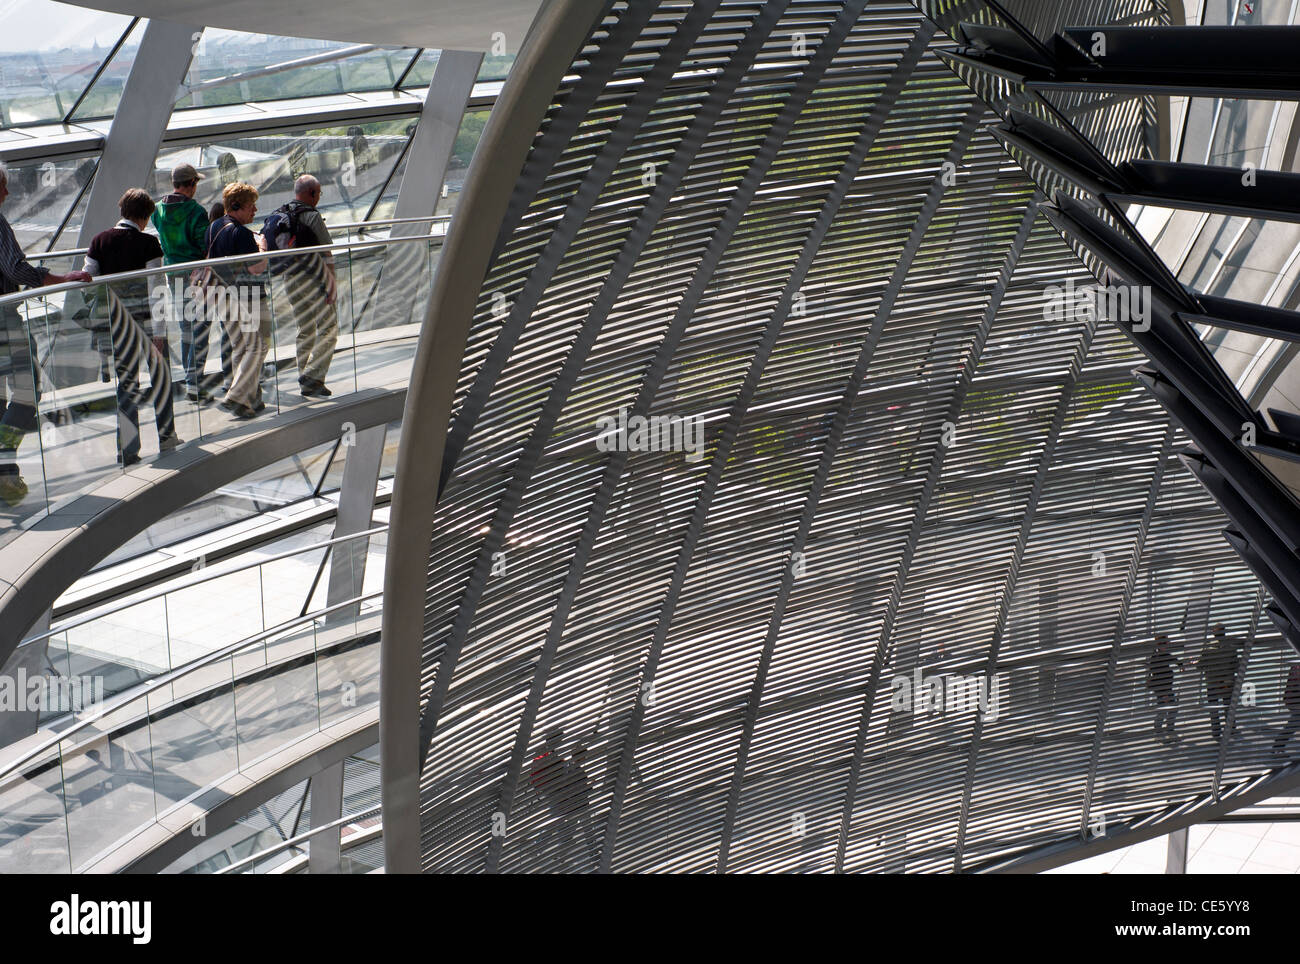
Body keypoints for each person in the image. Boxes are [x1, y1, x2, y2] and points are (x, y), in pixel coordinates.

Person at [0, 162, 93, 506]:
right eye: (4, 186)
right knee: (28, 391)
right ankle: (3, 453)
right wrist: (61, 279)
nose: (8, 193)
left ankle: (5, 478)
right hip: (4, 322)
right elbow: (15, 269)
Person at [84, 189, 184, 466]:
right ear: (145, 216)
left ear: (122, 210)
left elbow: (89, 280)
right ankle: (167, 436)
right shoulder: (149, 244)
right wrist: (160, 333)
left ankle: (128, 449)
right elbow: (156, 289)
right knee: (161, 380)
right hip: (146, 325)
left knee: (127, 386)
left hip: (116, 326)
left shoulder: (98, 241)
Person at [152, 163, 227, 402]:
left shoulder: (157, 210)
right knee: (201, 329)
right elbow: (206, 246)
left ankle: (190, 381)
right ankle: (195, 384)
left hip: (173, 275)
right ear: (191, 184)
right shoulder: (195, 211)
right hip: (196, 277)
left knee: (186, 329)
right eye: (196, 183)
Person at [264, 174, 337, 398]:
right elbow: (327, 254)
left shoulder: (279, 213)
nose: (318, 198)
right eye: (318, 193)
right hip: (314, 278)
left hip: (289, 278)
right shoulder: (311, 216)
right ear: (312, 194)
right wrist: (331, 285)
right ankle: (313, 376)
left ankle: (304, 376)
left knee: (304, 328)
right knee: (329, 328)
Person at [205, 182, 268, 420]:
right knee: (258, 346)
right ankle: (236, 396)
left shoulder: (213, 228)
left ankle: (248, 400)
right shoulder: (240, 232)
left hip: (221, 295)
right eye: (251, 206)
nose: (254, 210)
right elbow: (256, 268)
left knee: (240, 346)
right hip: (246, 297)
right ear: (237, 206)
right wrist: (263, 248)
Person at [1196, 623, 1242, 742]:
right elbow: (1236, 666)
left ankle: (1216, 732)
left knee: (1214, 709)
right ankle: (1231, 729)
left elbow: (1200, 666)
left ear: (1213, 634)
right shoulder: (1231, 648)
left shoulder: (1207, 649)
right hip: (1227, 684)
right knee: (1228, 707)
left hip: (1212, 684)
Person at [1146, 634, 1183, 742]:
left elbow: (1174, 659)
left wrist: (1180, 665)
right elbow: (1158, 676)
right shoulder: (1157, 657)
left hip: (1165, 688)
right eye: (1167, 642)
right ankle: (1162, 732)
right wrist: (1164, 693)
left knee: (1169, 709)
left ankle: (1164, 732)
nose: (1169, 644)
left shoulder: (1162, 654)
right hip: (1163, 689)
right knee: (1165, 710)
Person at [1273, 663, 1300, 757]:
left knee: (1291, 727)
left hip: (1294, 701)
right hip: (1297, 703)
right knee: (1291, 727)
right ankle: (1277, 749)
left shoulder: (1296, 666)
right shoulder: (1297, 668)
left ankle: (1277, 748)